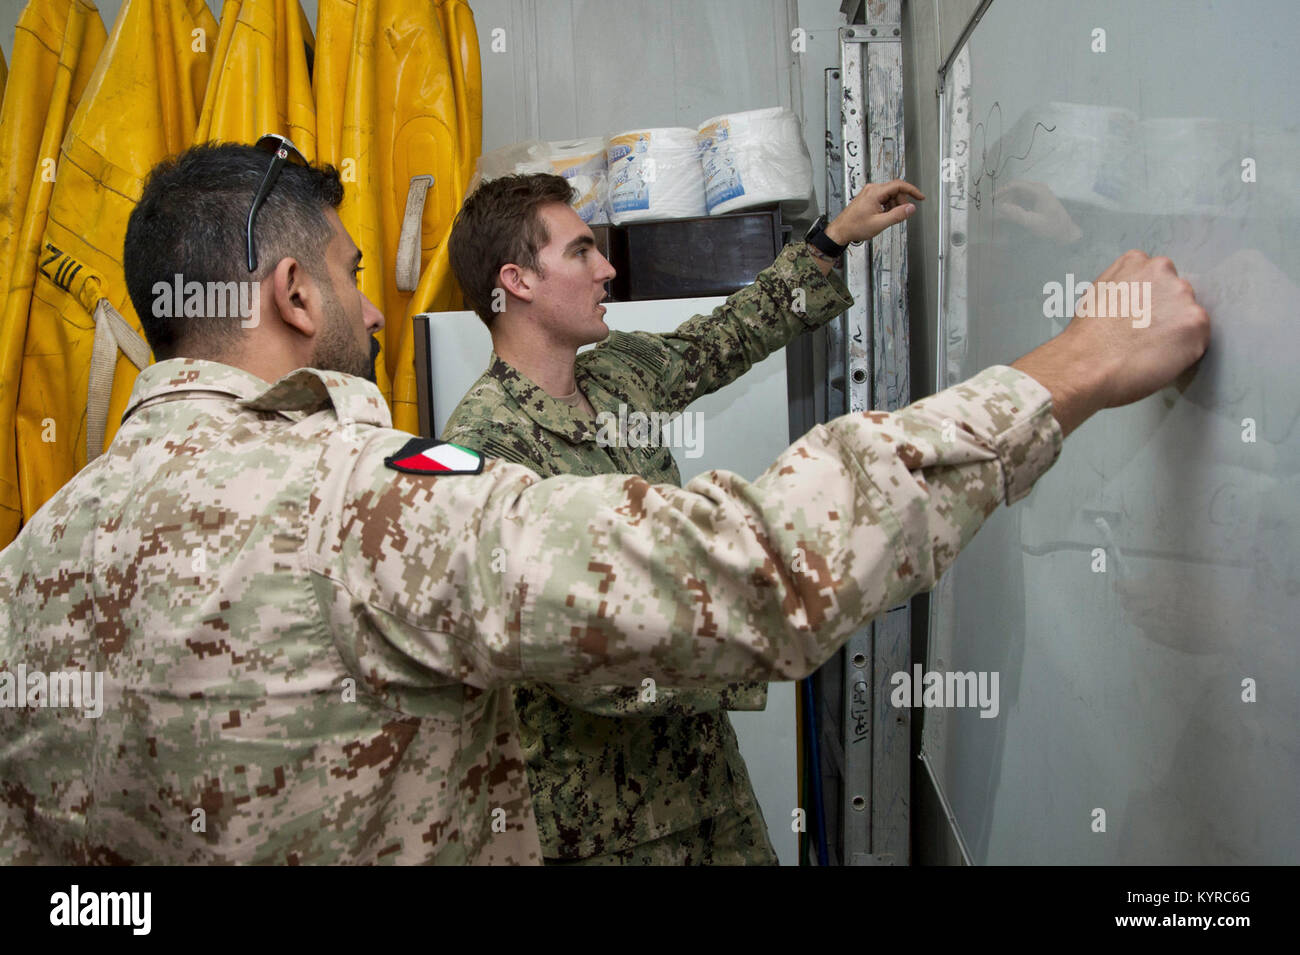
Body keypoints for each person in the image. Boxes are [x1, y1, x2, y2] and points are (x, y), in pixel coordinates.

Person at [0, 139, 1209, 865]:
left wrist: (828, 244)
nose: (375, 312)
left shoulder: (29, 559)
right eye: (353, 275)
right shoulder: (390, 498)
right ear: (291, 296)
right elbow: (751, 564)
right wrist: (1068, 372)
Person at [441, 172, 920, 865]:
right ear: (515, 280)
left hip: (707, 788)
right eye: (581, 252)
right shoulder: (484, 449)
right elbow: (577, 658)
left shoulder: (615, 378)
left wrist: (831, 237)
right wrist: (760, 640)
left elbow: (727, 334)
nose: (607, 268)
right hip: (605, 829)